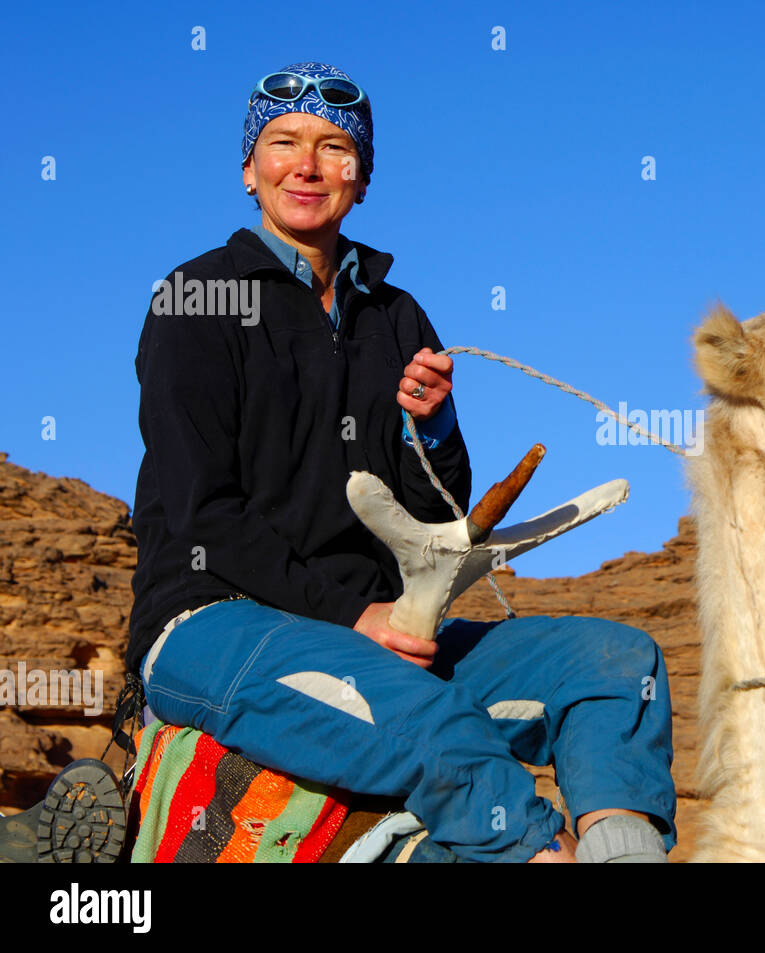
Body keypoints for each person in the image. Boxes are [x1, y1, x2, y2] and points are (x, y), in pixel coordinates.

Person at [120, 62, 676, 863]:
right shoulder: (196, 297)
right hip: (214, 619)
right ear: (249, 170)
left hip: (381, 627)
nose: (307, 166)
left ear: (363, 177)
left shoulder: (396, 313)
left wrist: (437, 426)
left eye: (334, 147)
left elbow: (439, 516)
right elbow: (204, 513)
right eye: (282, 144)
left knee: (619, 665)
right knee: (434, 727)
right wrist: (354, 618)